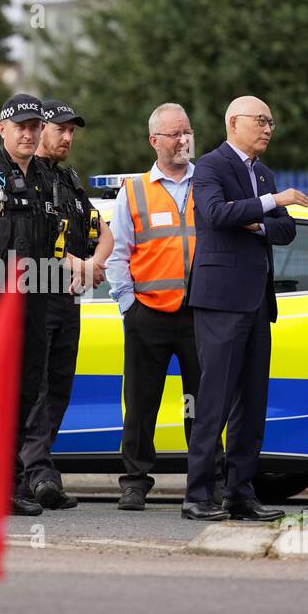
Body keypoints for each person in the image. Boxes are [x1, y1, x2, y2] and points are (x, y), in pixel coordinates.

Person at [182, 96, 308, 522]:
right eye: (261, 121)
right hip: (219, 301)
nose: (269, 128)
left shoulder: (264, 173)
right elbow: (216, 214)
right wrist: (272, 204)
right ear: (234, 122)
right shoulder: (211, 166)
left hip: (257, 303)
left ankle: (240, 493)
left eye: (272, 121)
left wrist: (257, 219)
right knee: (213, 401)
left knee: (252, 404)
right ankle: (198, 495)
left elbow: (288, 229)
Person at [105, 102, 214, 511]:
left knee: (202, 402)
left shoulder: (207, 183)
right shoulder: (133, 191)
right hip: (147, 313)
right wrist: (128, 306)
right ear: (155, 141)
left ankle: (205, 480)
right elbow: (117, 253)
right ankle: (134, 481)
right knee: (141, 401)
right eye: (175, 134)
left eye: (187, 132)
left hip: (199, 312)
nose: (184, 139)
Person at [0, 93, 57, 515]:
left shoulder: (45, 176)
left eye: (35, 126)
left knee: (24, 393)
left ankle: (11, 485)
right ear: (2, 129)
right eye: (20, 125)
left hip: (34, 299)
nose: (28, 132)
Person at [18, 99, 101, 511]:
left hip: (69, 298)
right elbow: (39, 238)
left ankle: (32, 473)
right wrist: (82, 265)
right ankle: (40, 475)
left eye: (72, 131)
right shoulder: (27, 177)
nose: (67, 137)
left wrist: (96, 262)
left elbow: (98, 225)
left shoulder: (69, 178)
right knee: (36, 389)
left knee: (59, 390)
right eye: (60, 129)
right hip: (38, 295)